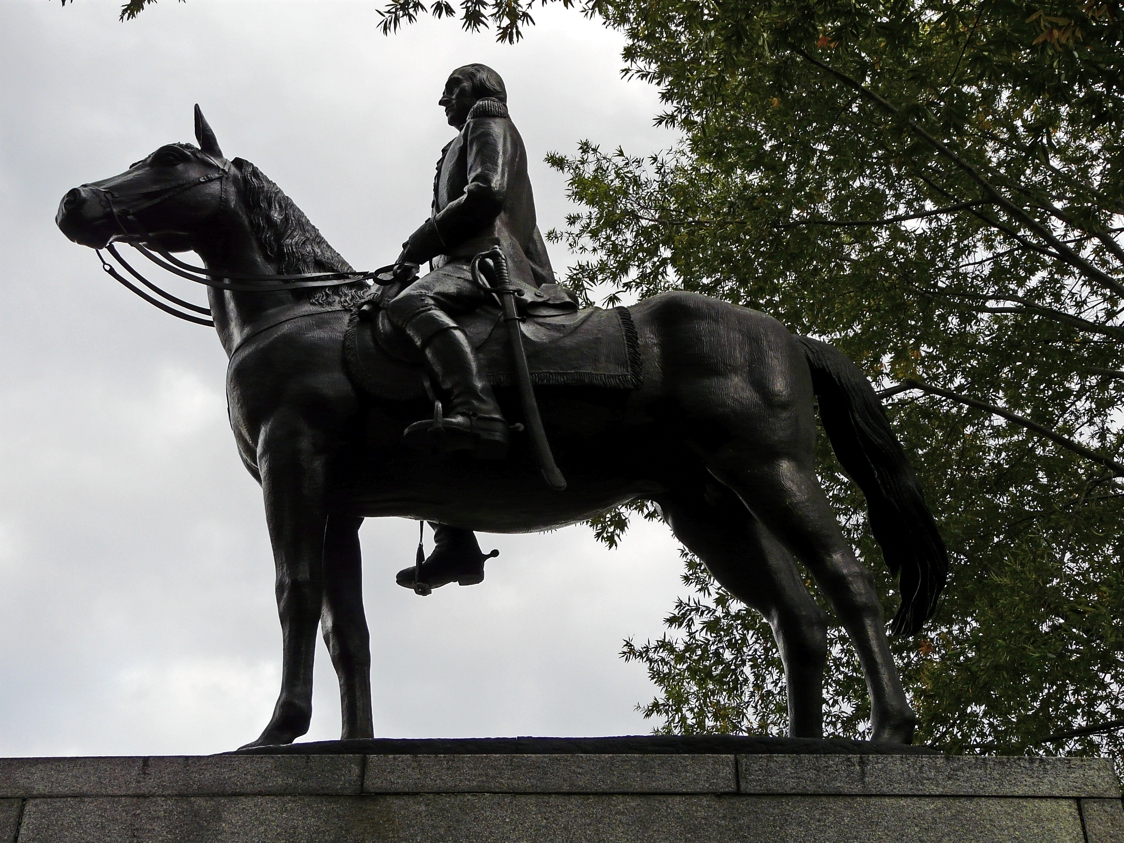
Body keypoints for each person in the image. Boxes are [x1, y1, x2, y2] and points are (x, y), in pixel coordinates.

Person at [388, 63, 575, 592]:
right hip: (462, 265)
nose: (443, 98)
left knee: (406, 309)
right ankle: (455, 544)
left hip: (485, 263)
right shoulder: (450, 148)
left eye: (453, 87)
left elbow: (487, 196)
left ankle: (480, 415)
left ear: (481, 88)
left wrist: (419, 243)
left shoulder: (487, 121)